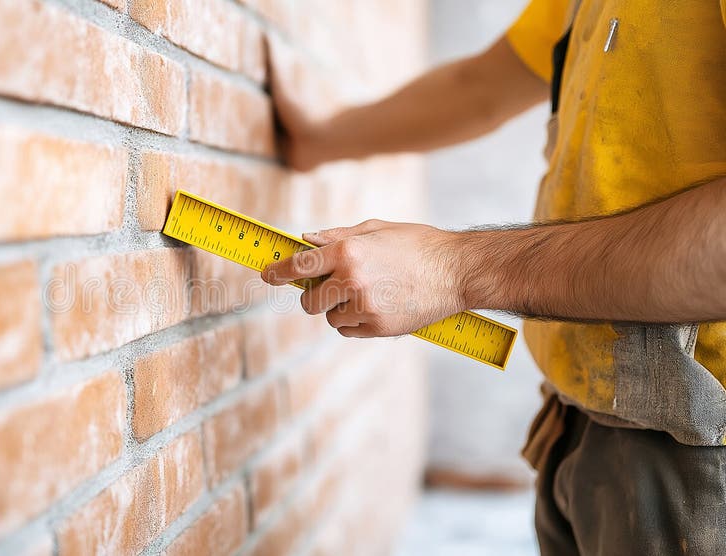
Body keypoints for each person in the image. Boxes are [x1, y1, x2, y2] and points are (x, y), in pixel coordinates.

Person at [262, 1, 726, 554]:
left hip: (701, 453)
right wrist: (320, 140)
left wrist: (453, 269)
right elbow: (478, 87)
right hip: (578, 421)